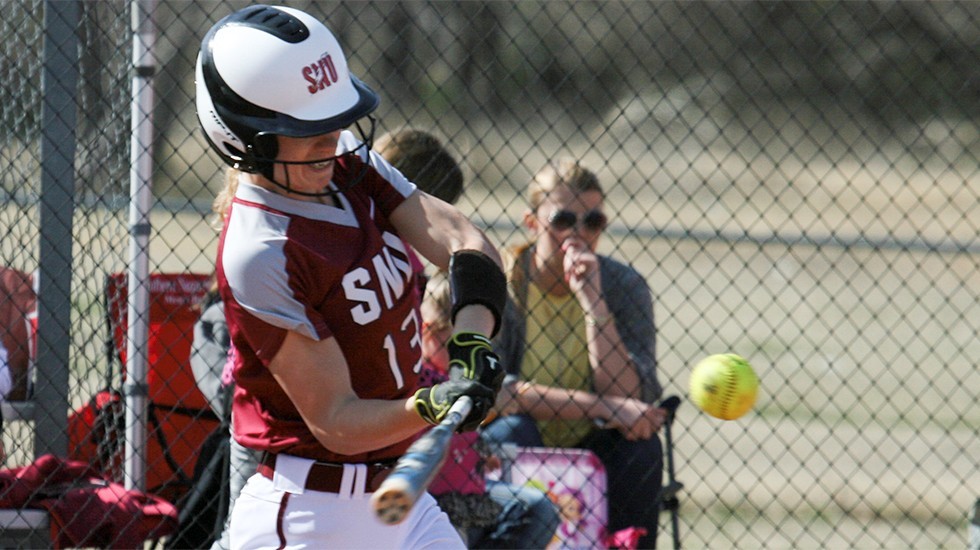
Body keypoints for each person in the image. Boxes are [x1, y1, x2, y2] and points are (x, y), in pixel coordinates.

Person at [194, 5, 507, 549]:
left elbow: (462, 240)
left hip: (400, 499)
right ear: (246, 139)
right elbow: (336, 421)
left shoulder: (348, 166)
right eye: (306, 128)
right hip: (310, 515)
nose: (332, 136)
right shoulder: (261, 251)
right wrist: (429, 404)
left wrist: (472, 340)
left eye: (333, 118)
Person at [481, 158, 667, 548]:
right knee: (514, 429)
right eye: (563, 220)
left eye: (593, 222)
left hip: (590, 442)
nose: (578, 233)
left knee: (641, 447)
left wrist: (593, 301)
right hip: (521, 437)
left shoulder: (623, 286)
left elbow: (630, 398)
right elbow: (498, 393)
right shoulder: (500, 284)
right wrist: (606, 408)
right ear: (532, 223)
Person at [420, 269, 560, 549]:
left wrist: (481, 452)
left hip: (470, 491)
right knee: (453, 534)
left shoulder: (456, 377)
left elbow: (465, 433)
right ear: (430, 334)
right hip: (439, 500)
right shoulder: (422, 381)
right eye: (459, 345)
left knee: (539, 510)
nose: (470, 358)